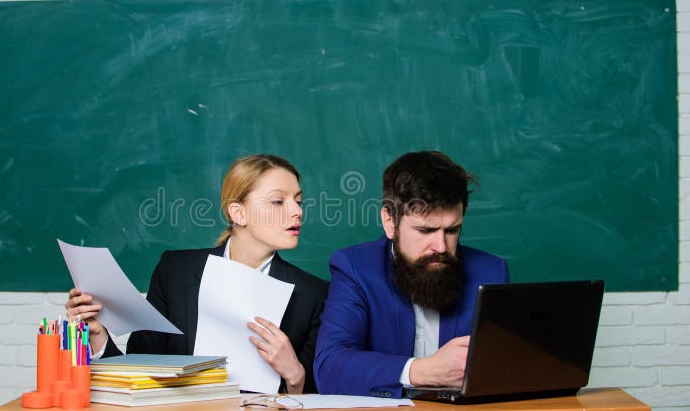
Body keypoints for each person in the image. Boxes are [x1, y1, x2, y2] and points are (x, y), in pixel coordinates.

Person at [65, 154, 328, 394]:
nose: (297, 211)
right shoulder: (175, 272)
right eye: (278, 201)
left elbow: (318, 397)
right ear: (238, 213)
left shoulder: (313, 294)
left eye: (298, 201)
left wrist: (295, 375)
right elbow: (139, 370)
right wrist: (98, 335)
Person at [313, 151, 509, 398]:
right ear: (389, 221)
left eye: (452, 230)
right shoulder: (355, 268)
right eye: (425, 231)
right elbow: (330, 367)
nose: (441, 246)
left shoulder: (491, 272)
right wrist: (422, 371)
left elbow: (506, 369)